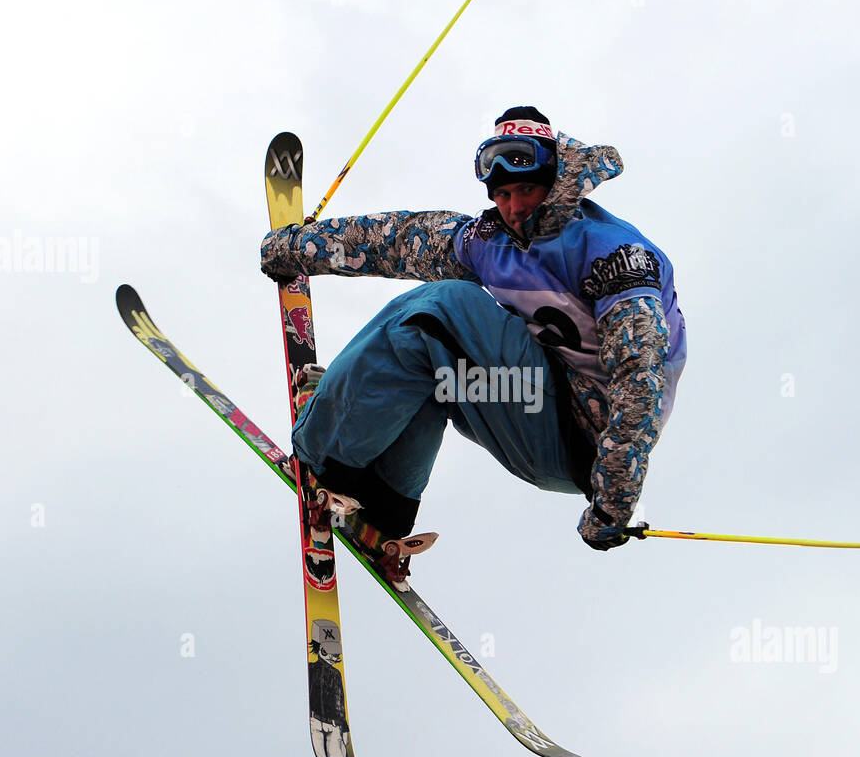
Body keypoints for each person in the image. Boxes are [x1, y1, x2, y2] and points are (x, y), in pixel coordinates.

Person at [261, 106, 687, 553]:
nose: (514, 206)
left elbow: (642, 373)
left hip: (585, 438)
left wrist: (613, 502)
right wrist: (295, 249)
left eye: (526, 189)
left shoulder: (614, 253)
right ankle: (383, 501)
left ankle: (322, 455)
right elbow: (396, 240)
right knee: (433, 352)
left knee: (443, 306)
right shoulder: (489, 240)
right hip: (531, 411)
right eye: (501, 193)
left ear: (558, 179)